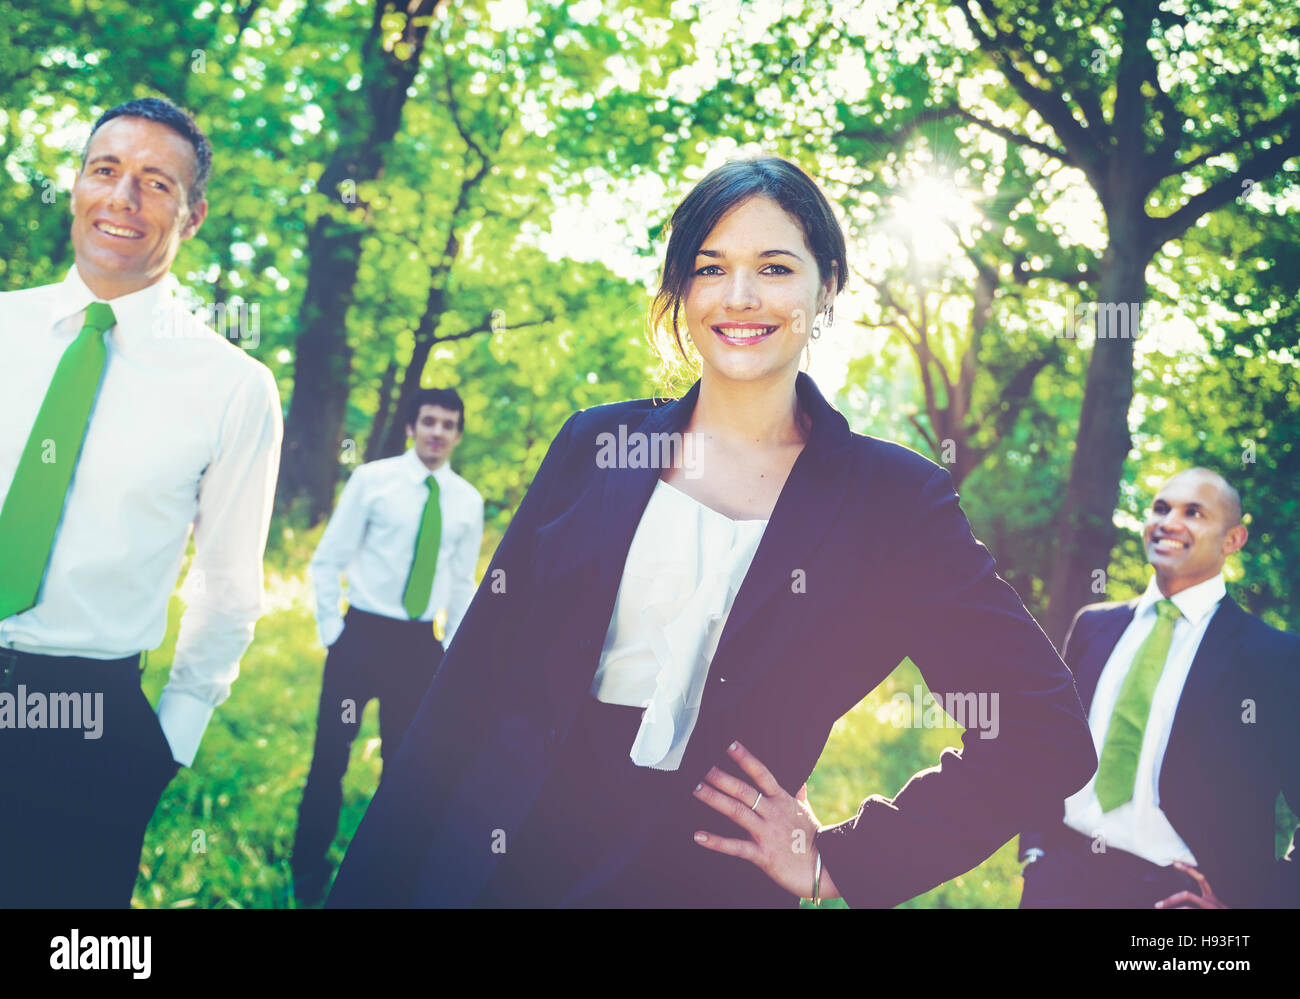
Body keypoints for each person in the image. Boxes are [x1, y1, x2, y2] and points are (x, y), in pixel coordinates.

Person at [328, 155, 1096, 909]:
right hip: (495, 854)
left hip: (704, 878)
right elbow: (470, 683)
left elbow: (1042, 732)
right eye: (708, 267)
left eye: (773, 268)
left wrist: (847, 860)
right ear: (680, 289)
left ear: (826, 286)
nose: (738, 296)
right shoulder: (596, 444)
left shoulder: (892, 502)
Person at [0, 96, 282, 907]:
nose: (123, 197)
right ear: (79, 187)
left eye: (156, 183)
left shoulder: (232, 386)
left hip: (87, 725)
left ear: (190, 217)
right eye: (106, 170)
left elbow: (229, 585)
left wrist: (169, 739)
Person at [1020, 468, 1300, 908]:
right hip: (1059, 875)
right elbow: (1050, 745)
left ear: (1233, 540)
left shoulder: (1274, 657)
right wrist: (1035, 849)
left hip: (1177, 892)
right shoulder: (1094, 625)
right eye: (1161, 508)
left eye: (1194, 512)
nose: (1170, 522)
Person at [292, 387, 484, 904]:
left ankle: (385, 874)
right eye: (428, 421)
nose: (437, 432)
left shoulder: (467, 501)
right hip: (361, 639)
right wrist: (334, 634)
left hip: (421, 648)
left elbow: (463, 583)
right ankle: (306, 869)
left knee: (405, 769)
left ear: (458, 434)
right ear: (411, 427)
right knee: (330, 758)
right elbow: (327, 561)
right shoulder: (372, 481)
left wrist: (454, 653)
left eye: (448, 424)